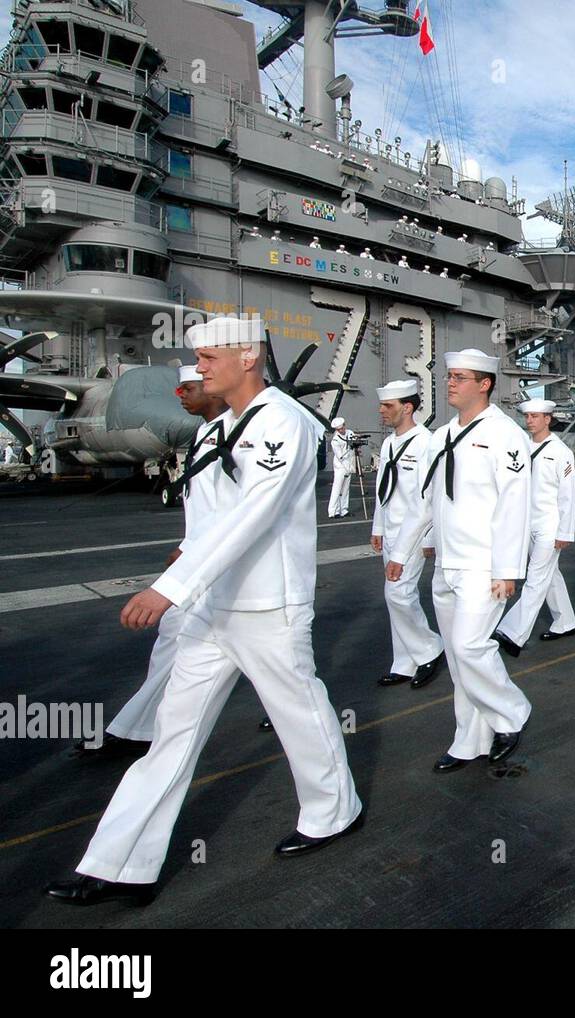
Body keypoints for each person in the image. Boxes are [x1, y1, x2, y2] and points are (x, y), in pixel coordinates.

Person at [46, 316, 363, 907]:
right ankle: (118, 863)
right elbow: (215, 514)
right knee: (171, 733)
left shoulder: (282, 424)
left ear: (248, 358)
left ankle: (334, 811)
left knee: (300, 713)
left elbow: (255, 514)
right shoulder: (218, 429)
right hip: (211, 605)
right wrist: (187, 556)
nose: (200, 370)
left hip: (266, 604)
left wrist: (170, 586)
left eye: (210, 358)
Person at [389, 349, 532, 772]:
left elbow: (514, 505)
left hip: (483, 566)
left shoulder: (505, 434)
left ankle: (513, 713)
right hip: (447, 565)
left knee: (471, 647)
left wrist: (507, 570)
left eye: (460, 377)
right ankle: (469, 740)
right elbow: (425, 501)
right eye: (449, 376)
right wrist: (402, 551)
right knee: (456, 657)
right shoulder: (440, 436)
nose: (450, 383)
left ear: (484, 384)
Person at [77, 366, 228, 759]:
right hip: (200, 562)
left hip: (225, 570)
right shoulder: (206, 435)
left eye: (188, 387)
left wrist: (185, 562)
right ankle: (138, 729)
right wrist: (186, 545)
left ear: (212, 391)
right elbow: (210, 508)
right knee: (175, 642)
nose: (179, 395)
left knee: (279, 670)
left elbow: (239, 513)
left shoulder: (239, 435)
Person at [371, 379, 445, 689]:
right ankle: (403, 661)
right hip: (390, 531)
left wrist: (428, 538)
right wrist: (377, 527)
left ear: (408, 407)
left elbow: (429, 497)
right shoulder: (389, 443)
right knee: (395, 599)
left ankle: (429, 648)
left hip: (413, 535)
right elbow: (382, 489)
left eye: (388, 406)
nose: (382, 411)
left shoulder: (426, 442)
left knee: (398, 594)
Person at [494, 398, 575, 654]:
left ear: (548, 419)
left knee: (536, 578)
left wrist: (565, 531)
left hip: (549, 524)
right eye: (527, 416)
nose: (529, 420)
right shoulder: (520, 447)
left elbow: (567, 495)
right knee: (550, 575)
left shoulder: (561, 452)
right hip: (525, 523)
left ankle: (513, 632)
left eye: (535, 416)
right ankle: (565, 621)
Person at [327, 416, 356, 517]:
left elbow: (354, 441)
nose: (341, 431)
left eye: (342, 428)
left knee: (345, 489)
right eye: (339, 430)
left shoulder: (350, 433)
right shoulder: (335, 440)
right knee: (337, 488)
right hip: (340, 466)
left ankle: (344, 509)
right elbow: (340, 456)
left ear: (344, 426)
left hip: (349, 464)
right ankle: (333, 511)